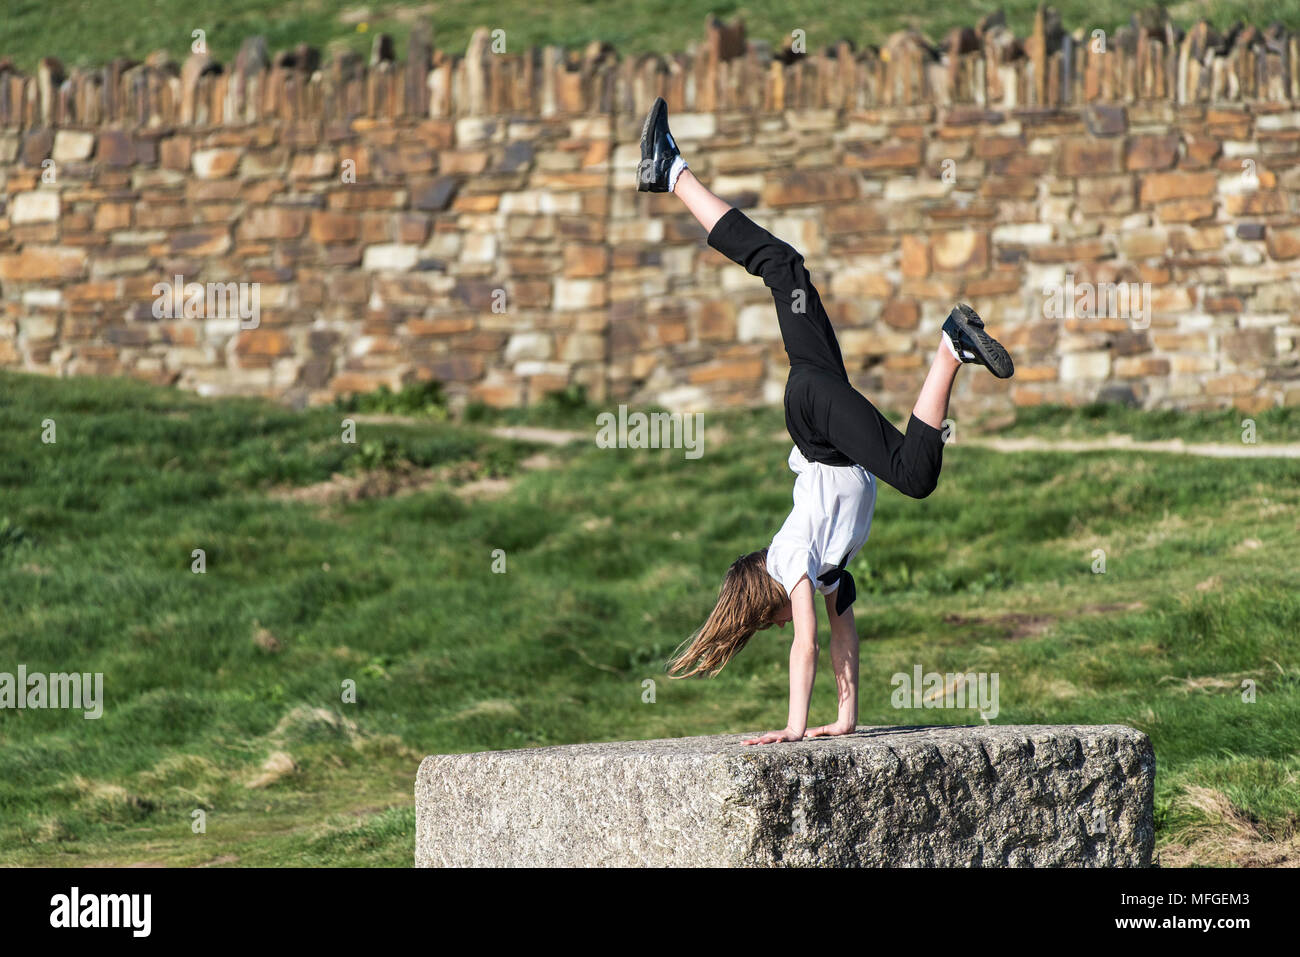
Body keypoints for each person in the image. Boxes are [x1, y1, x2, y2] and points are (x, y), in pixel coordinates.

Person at [638, 98, 1015, 745]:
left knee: (914, 473)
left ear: (770, 596)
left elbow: (807, 641)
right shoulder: (828, 572)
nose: (789, 622)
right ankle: (669, 171)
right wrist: (844, 719)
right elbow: (842, 635)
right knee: (785, 268)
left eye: (775, 619)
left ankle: (952, 345)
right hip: (816, 412)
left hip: (816, 422)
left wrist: (793, 725)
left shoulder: (790, 561)